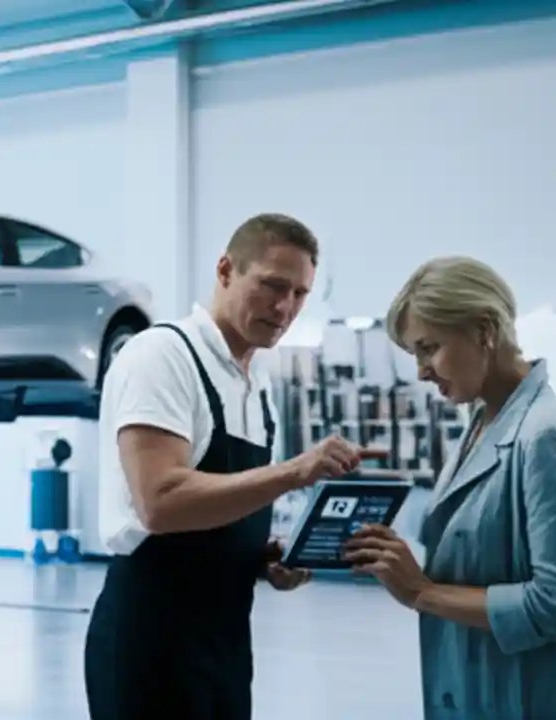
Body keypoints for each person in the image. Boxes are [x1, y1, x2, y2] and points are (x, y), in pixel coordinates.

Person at [83, 213, 377, 720]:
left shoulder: (254, 384)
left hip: (225, 639)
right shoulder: (161, 355)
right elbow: (160, 503)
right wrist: (294, 471)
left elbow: (220, 504)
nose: (284, 307)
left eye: (300, 293)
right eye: (271, 285)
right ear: (225, 270)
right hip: (151, 637)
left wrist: (259, 558)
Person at [343, 256, 556, 719]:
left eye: (428, 348)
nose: (421, 371)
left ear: (484, 330)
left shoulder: (544, 435)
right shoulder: (479, 425)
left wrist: (421, 592)